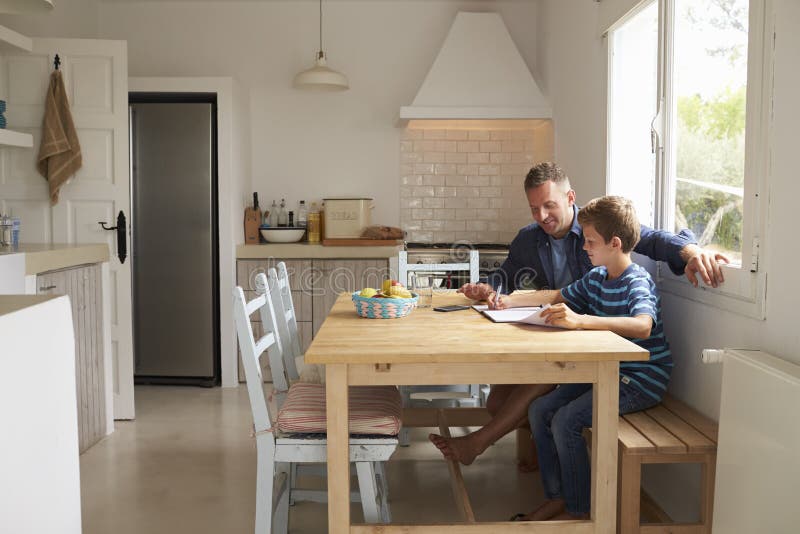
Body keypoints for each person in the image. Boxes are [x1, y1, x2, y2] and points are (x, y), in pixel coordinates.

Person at [429, 162, 725, 467]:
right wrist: (490, 289)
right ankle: (549, 457)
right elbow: (508, 275)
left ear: (570, 197)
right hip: (553, 333)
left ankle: (482, 445)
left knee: (531, 397)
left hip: (586, 343)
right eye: (534, 208)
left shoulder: (598, 226)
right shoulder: (529, 238)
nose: (542, 216)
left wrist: (690, 252)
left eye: (549, 205)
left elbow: (650, 238)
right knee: (497, 403)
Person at [497, 195, 671, 521]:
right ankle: (558, 495)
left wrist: (581, 321)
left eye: (590, 242)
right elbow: (556, 295)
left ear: (614, 243)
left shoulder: (637, 281)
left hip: (641, 379)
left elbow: (642, 326)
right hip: (608, 371)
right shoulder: (596, 277)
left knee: (566, 421)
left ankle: (578, 509)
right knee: (539, 409)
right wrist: (509, 301)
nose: (585, 247)